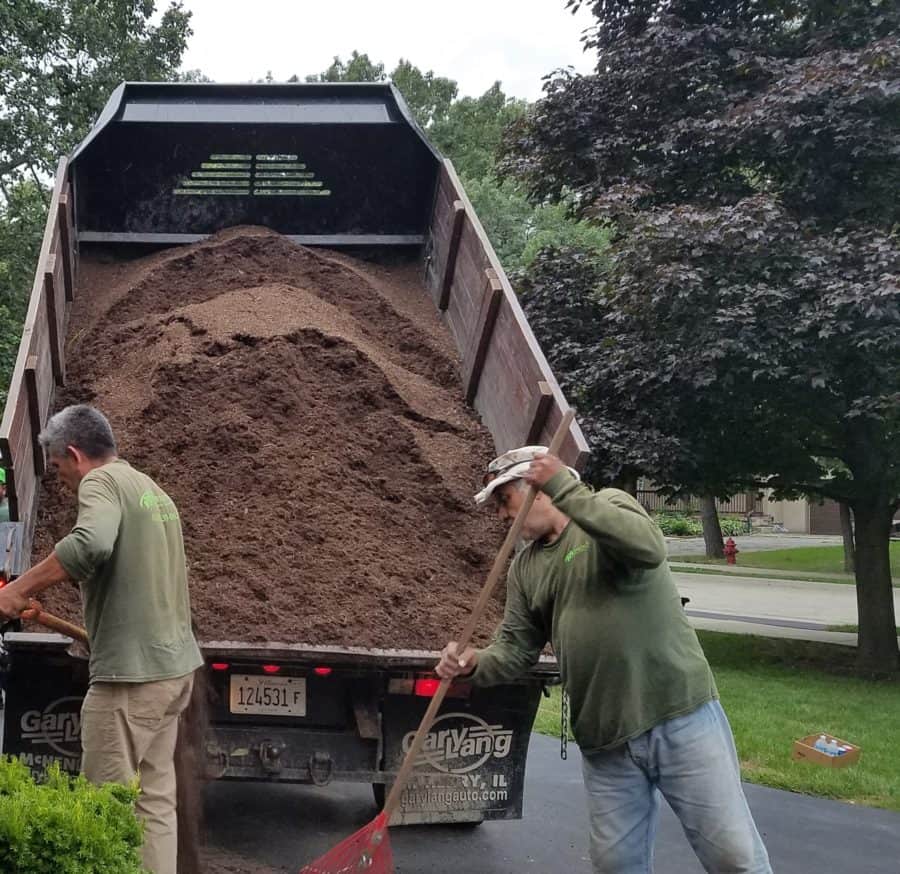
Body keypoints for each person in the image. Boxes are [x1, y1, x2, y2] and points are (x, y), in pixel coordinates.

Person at [436, 446, 772, 874]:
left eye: (504, 500)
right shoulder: (525, 568)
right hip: (605, 738)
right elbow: (516, 649)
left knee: (733, 857)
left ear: (537, 488)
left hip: (676, 713)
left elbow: (648, 548)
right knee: (616, 865)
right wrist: (473, 663)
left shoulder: (607, 508)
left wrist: (565, 485)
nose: (502, 515)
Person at [0, 404, 203, 874]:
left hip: (129, 684)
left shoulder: (101, 482)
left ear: (74, 454)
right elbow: (130, 570)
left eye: (57, 469)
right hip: (171, 675)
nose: (62, 481)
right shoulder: (151, 491)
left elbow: (90, 543)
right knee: (153, 805)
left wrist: (18, 589)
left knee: (104, 815)